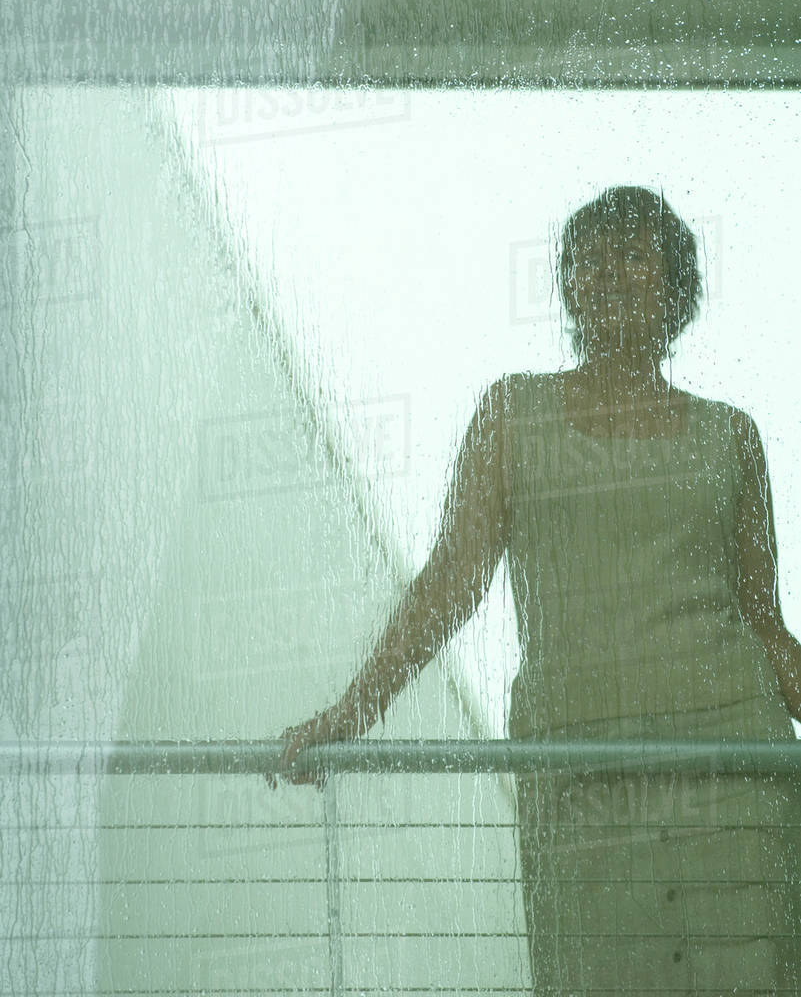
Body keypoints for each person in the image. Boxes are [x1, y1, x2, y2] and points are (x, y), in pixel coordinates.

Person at [274, 185, 801, 992]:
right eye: (586, 259)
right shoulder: (512, 414)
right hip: (578, 766)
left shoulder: (730, 433)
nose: (605, 272)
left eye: (631, 253)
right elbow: (451, 579)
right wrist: (352, 712)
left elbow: (765, 626)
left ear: (677, 288)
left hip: (733, 766)